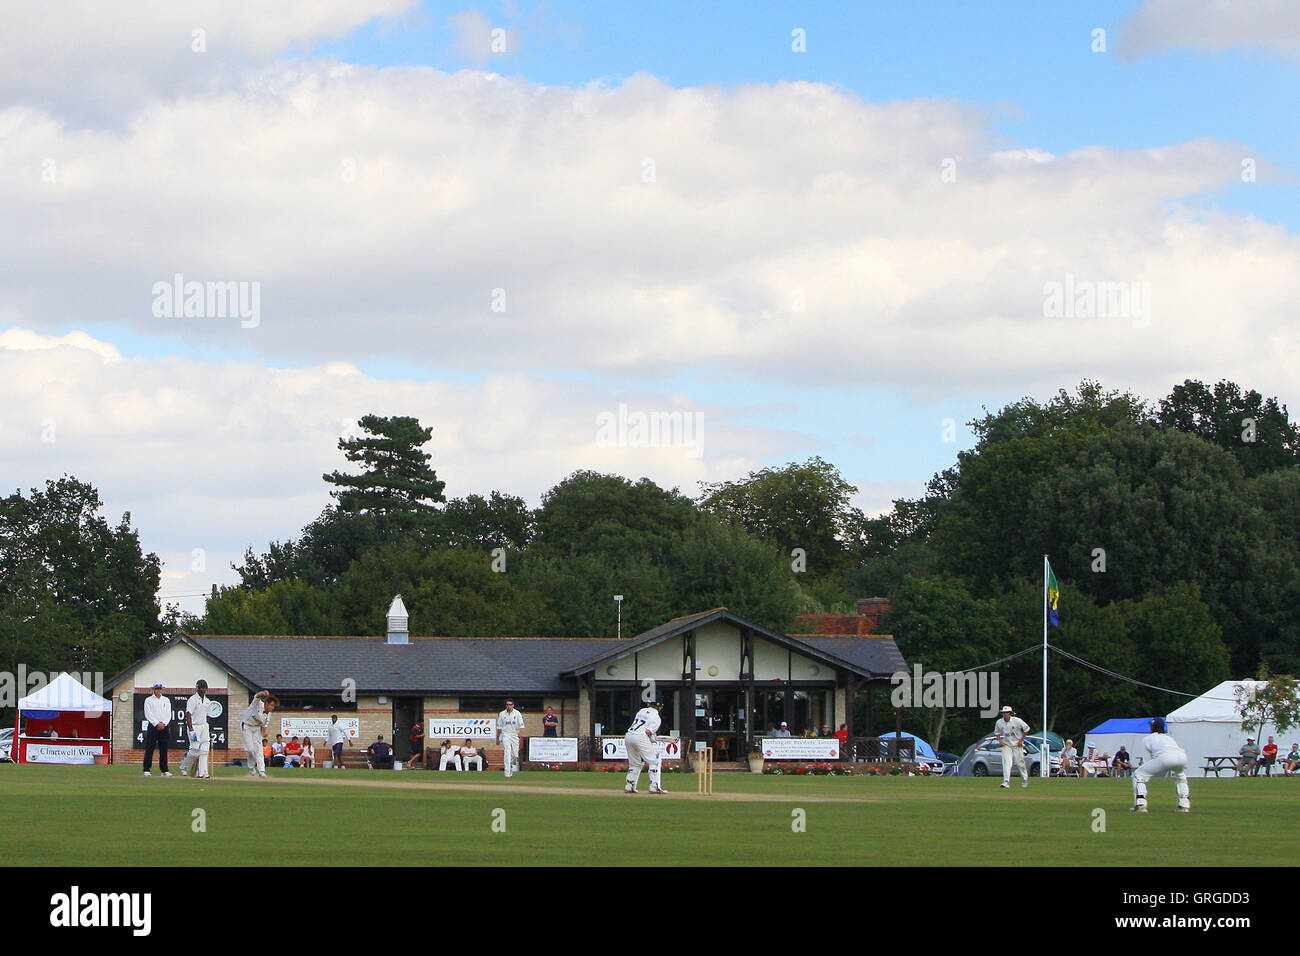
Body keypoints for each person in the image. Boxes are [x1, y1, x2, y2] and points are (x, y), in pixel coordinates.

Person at [1131, 717, 1190, 813]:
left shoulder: (1148, 738)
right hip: (1182, 757)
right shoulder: (1169, 738)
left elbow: (1150, 758)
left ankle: (1140, 803)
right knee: (1180, 776)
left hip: (1165, 757)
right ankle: (1184, 805)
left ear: (1153, 727)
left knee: (1139, 774)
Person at [624, 698, 667, 794]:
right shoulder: (656, 717)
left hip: (628, 735)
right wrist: (653, 738)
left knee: (635, 763)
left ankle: (629, 785)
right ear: (660, 707)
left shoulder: (641, 711)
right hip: (640, 737)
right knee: (653, 761)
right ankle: (654, 786)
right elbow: (648, 732)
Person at [178, 679, 212, 779]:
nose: (203, 690)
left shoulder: (207, 701)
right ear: (197, 688)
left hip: (204, 725)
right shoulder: (192, 700)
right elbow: (188, 714)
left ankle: (203, 772)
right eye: (201, 688)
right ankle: (184, 766)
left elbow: (208, 715)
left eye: (204, 688)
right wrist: (191, 729)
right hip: (194, 726)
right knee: (195, 750)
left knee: (205, 750)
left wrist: (208, 727)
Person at [994, 704, 1030, 789]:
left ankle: (1025, 779)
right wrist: (1000, 741)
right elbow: (996, 732)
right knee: (1007, 762)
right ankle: (1006, 782)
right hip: (1007, 744)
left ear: (1010, 713)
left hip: (1017, 744)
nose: (1005, 714)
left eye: (1007, 713)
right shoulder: (999, 722)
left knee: (1019, 763)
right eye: (1004, 713)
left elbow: (1027, 729)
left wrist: (1021, 740)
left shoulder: (1017, 721)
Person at [241, 690, 275, 778]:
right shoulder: (257, 704)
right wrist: (263, 693)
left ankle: (262, 771)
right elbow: (257, 696)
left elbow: (264, 726)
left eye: (273, 706)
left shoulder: (269, 714)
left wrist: (264, 734)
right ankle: (251, 768)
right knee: (250, 749)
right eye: (271, 705)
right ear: (266, 703)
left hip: (257, 728)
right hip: (247, 726)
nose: (272, 708)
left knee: (259, 750)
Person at [142, 683, 173, 777]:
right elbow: (148, 714)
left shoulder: (166, 700)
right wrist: (156, 723)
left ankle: (164, 770)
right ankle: (147, 769)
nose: (158, 690)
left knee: (164, 748)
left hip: (164, 726)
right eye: (157, 689)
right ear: (153, 689)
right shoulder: (148, 700)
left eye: (160, 689)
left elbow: (168, 713)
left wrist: (164, 723)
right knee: (150, 747)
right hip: (153, 726)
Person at [496, 699, 526, 777]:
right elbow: (499, 727)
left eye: (510, 704)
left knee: (514, 755)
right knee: (507, 753)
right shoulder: (502, 714)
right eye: (507, 704)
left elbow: (521, 726)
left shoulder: (517, 713)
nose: (508, 706)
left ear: (513, 705)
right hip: (506, 734)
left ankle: (511, 768)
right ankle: (507, 772)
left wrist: (520, 735)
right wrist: (498, 739)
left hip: (514, 735)